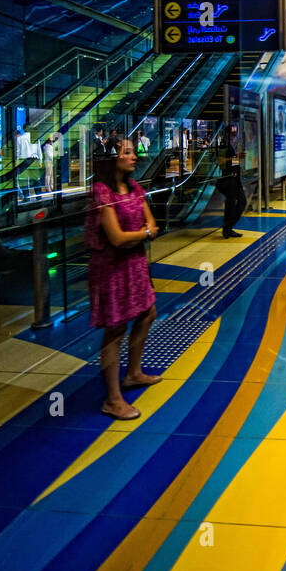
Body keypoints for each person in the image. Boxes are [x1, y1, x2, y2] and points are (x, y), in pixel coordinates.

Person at [85, 140, 162, 420]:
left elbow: (152, 223)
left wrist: (142, 234)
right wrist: (142, 234)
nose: (134, 157)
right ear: (110, 159)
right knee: (115, 329)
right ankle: (113, 399)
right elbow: (116, 238)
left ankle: (133, 373)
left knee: (147, 312)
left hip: (135, 265)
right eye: (127, 152)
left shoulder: (134, 188)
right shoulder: (101, 192)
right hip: (112, 269)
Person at [216, 143, 246, 238]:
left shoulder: (232, 144)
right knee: (231, 203)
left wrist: (237, 158)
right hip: (228, 179)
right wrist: (235, 157)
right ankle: (227, 228)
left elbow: (233, 161)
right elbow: (220, 162)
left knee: (241, 202)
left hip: (235, 179)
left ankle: (228, 227)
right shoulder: (224, 145)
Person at [16, 126, 42, 199]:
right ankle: (38, 196)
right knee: (35, 179)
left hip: (23, 160)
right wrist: (40, 161)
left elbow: (17, 151)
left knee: (23, 180)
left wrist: (16, 161)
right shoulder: (35, 138)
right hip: (34, 160)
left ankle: (26, 197)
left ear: (23, 129)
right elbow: (39, 150)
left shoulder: (19, 138)